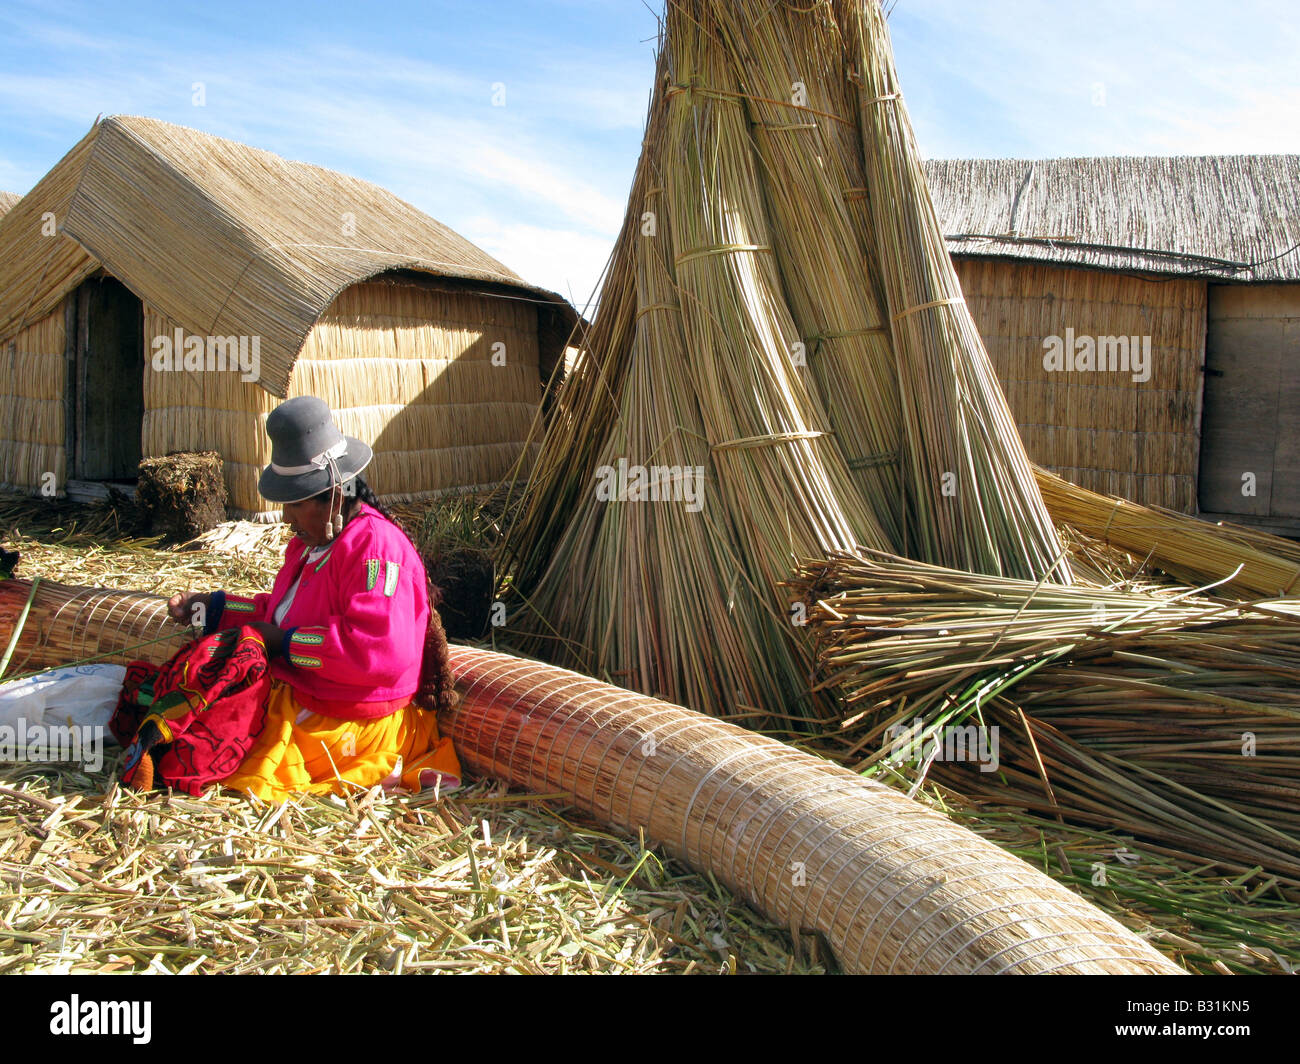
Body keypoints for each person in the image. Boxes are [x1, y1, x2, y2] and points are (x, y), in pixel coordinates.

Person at [167, 396, 461, 801]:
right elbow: (278, 614)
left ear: (336, 495)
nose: (287, 518)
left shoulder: (376, 551)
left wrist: (282, 645)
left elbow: (374, 652)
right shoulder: (310, 544)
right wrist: (213, 608)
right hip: (307, 695)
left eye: (297, 504)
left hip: (354, 719)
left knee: (225, 739)